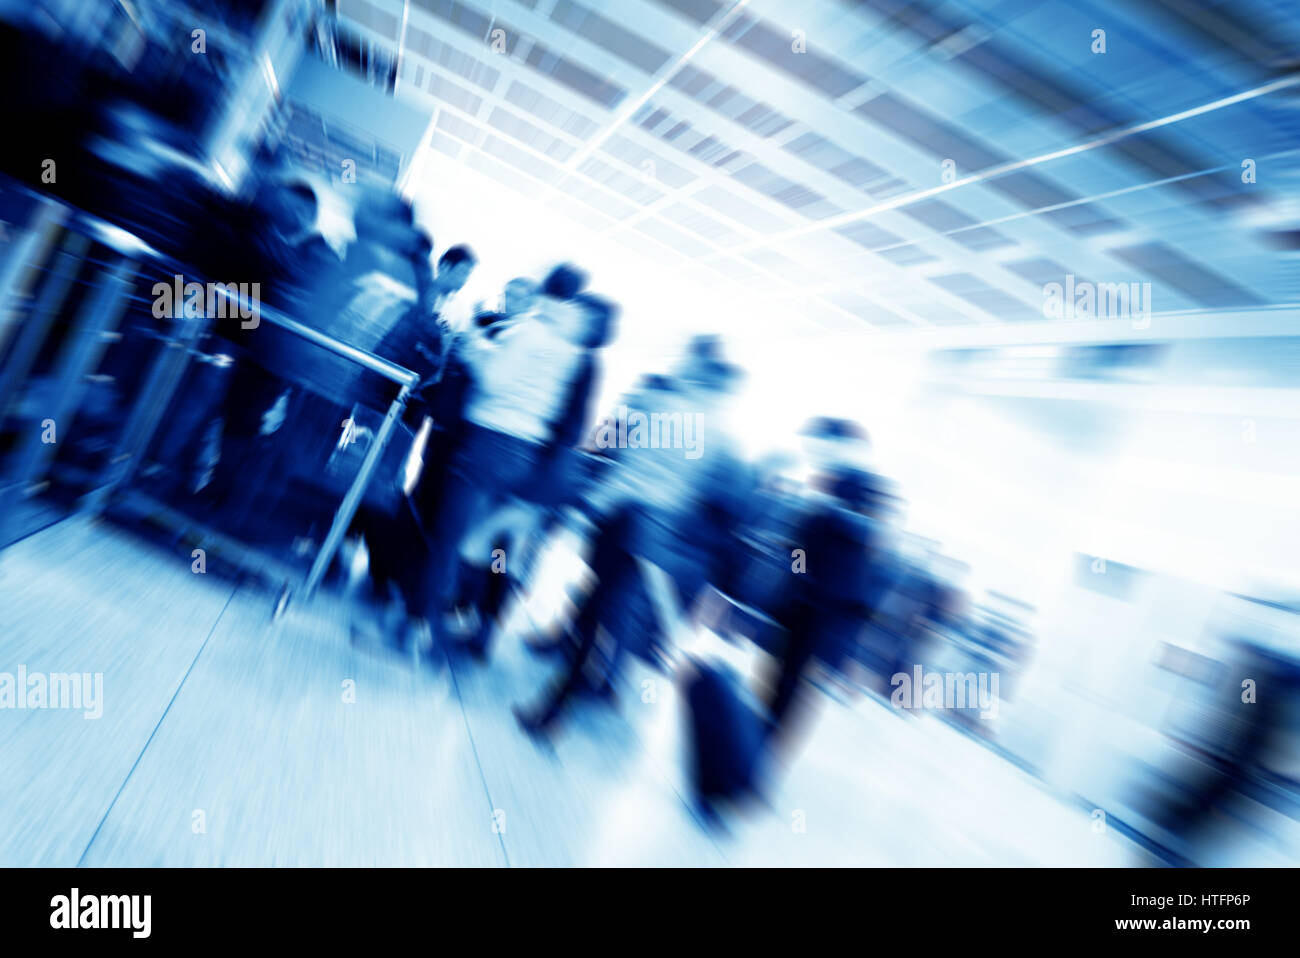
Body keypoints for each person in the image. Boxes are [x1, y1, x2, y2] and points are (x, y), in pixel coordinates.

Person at [513, 354, 748, 739]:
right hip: (656, 534)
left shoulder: (666, 408)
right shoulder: (721, 434)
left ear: (697, 372)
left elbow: (630, 471)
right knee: (600, 612)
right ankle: (573, 694)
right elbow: (706, 498)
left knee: (595, 615)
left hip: (623, 523)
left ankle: (554, 710)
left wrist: (589, 505)